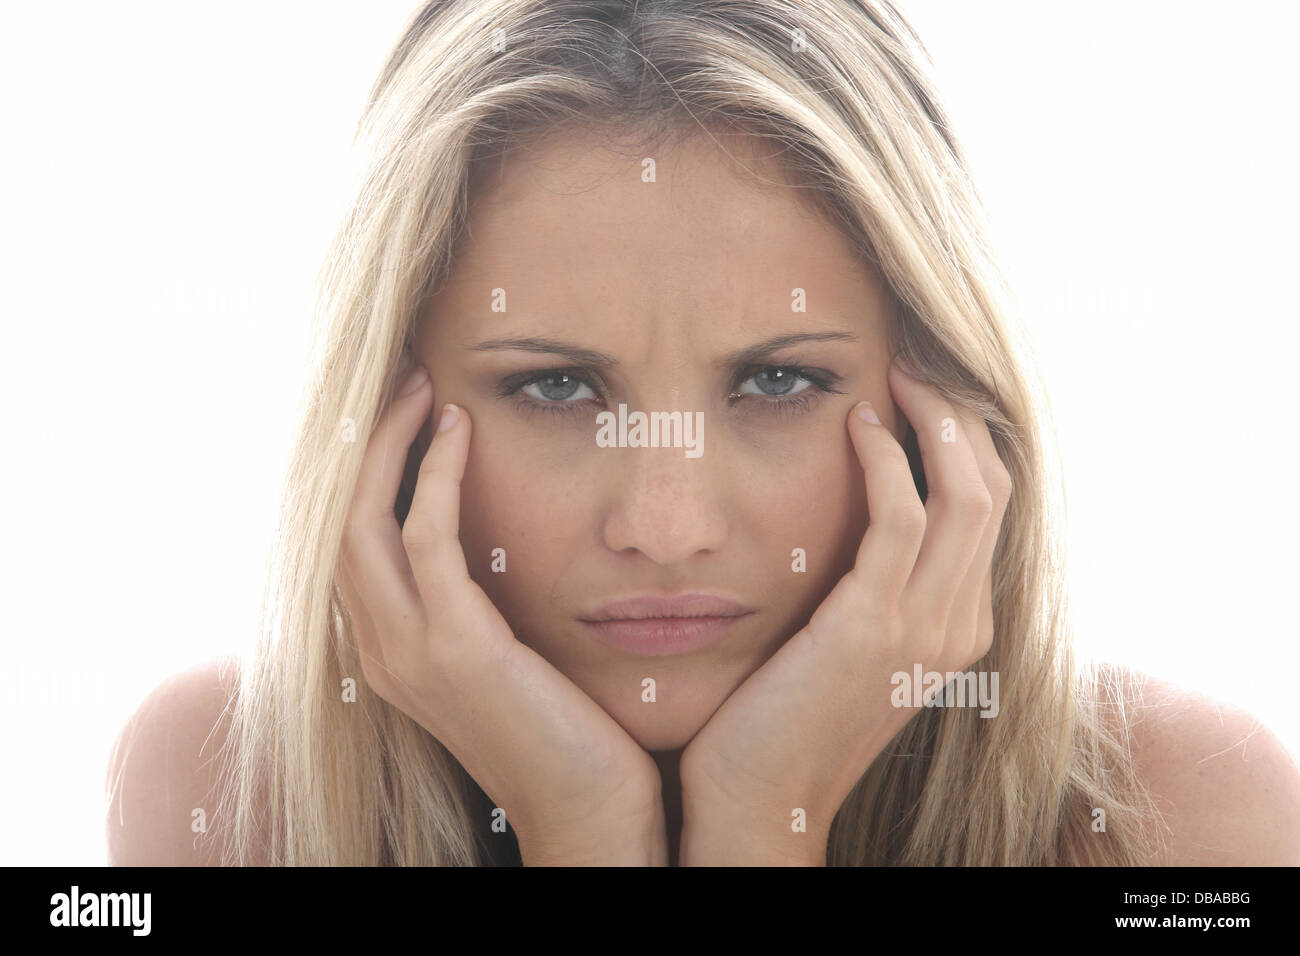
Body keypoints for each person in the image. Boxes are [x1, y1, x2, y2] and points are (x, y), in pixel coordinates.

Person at [106, 0, 1300, 866]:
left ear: (945, 409)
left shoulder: (1176, 815)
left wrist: (762, 817)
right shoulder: (224, 792)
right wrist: (583, 835)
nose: (665, 525)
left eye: (775, 379)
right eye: (559, 388)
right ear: (387, 423)